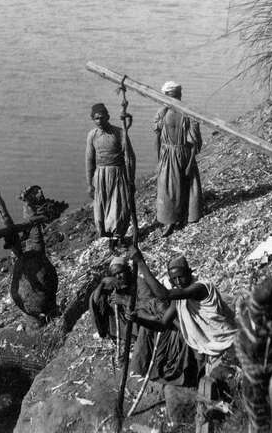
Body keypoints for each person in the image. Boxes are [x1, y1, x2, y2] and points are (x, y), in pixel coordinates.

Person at [127, 248, 236, 377]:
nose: (178, 282)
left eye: (181, 277)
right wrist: (137, 320)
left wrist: (140, 263)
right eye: (174, 279)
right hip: (212, 351)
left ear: (189, 273)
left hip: (229, 344)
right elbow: (162, 325)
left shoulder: (200, 287)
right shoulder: (178, 300)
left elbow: (164, 295)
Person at [90, 256, 197, 385]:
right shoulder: (117, 284)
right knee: (103, 301)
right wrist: (103, 283)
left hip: (147, 318)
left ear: (128, 270)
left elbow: (149, 304)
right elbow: (94, 300)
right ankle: (113, 332)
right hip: (133, 318)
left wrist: (125, 301)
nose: (118, 276)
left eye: (121, 272)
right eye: (115, 274)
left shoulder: (139, 283)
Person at [155, 81, 203, 236]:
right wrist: (159, 160)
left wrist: (189, 163)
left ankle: (185, 217)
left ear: (180, 95)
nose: (173, 100)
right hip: (168, 155)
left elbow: (194, 143)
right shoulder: (161, 114)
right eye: (169, 97)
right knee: (167, 189)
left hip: (184, 153)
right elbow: (157, 138)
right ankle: (170, 222)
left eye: (176, 96)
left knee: (187, 186)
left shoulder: (188, 114)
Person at [85, 103, 133, 249]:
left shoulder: (119, 133)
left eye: (101, 117)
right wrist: (89, 184)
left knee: (119, 205)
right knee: (103, 206)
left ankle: (119, 235)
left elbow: (129, 156)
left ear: (108, 117)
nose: (99, 121)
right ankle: (110, 237)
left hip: (118, 173)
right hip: (100, 175)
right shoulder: (92, 135)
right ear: (93, 119)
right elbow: (89, 159)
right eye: (96, 118)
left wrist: (131, 178)